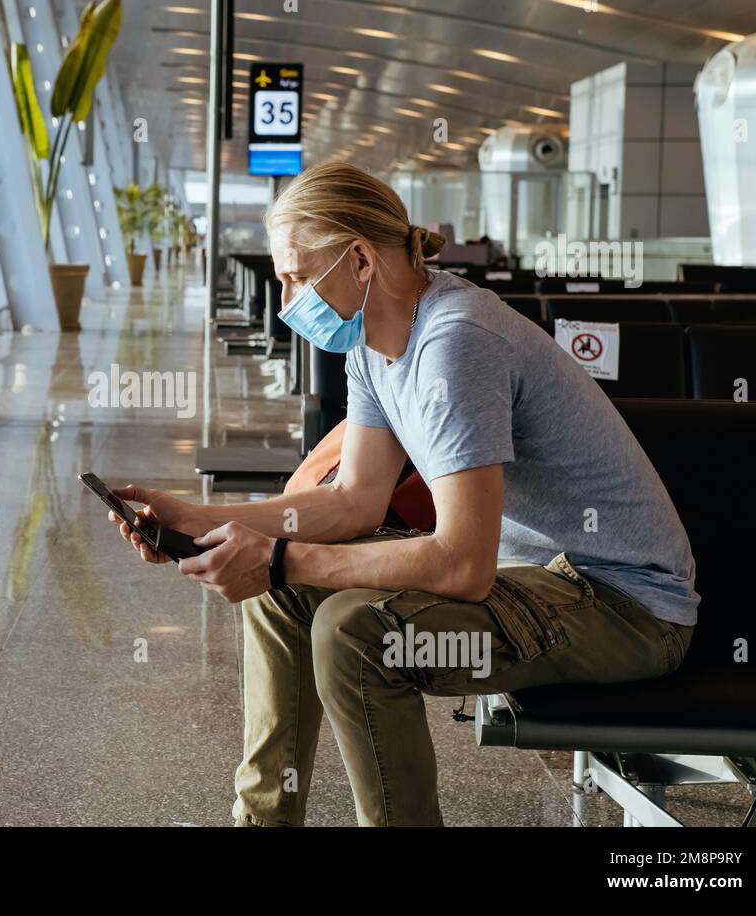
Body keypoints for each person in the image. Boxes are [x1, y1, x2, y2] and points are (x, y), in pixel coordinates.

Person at [109, 161, 698, 826]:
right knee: (281, 596)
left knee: (356, 630)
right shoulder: (373, 348)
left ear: (360, 260)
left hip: (623, 608)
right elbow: (354, 500)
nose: (284, 299)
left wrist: (278, 558)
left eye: (295, 275)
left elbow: (460, 566)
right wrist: (203, 517)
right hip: (532, 580)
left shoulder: (457, 342)